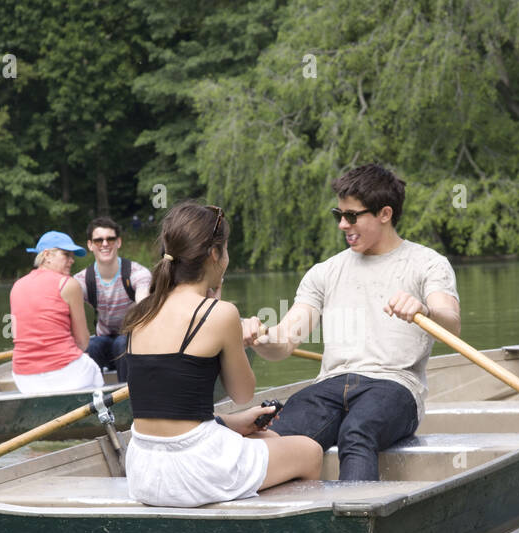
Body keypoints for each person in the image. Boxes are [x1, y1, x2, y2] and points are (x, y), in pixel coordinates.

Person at [242, 163, 461, 481]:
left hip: (396, 387)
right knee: (274, 436)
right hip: (330, 386)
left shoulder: (428, 263)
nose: (343, 224)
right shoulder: (324, 272)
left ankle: (355, 522)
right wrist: (261, 337)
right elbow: (284, 342)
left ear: (385, 214)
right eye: (339, 215)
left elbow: (452, 325)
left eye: (352, 216)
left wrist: (425, 310)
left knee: (356, 433)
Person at [122, 201, 323, 508]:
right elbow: (244, 392)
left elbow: (172, 408)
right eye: (225, 249)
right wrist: (225, 321)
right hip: (194, 470)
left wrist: (234, 423)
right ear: (215, 254)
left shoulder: (141, 312)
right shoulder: (221, 314)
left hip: (143, 471)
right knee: (310, 452)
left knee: (266, 440)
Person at [8, 230, 103, 394]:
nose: (72, 260)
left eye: (72, 256)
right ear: (47, 255)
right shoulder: (69, 284)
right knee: (93, 368)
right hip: (67, 374)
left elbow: (18, 337)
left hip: (23, 378)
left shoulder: (16, 286)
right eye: (66, 254)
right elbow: (82, 341)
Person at [72, 217, 151, 382]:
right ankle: (94, 399)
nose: (105, 244)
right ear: (90, 245)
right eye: (99, 240)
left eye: (110, 239)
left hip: (130, 342)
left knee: (121, 343)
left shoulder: (137, 273)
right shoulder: (81, 280)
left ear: (119, 242)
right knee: (90, 346)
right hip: (102, 342)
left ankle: (126, 399)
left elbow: (144, 305)